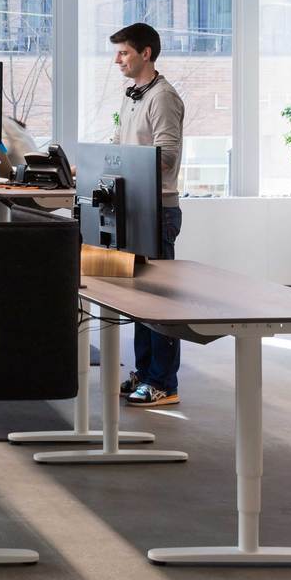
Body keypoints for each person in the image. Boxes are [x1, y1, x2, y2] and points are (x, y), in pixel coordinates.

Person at [109, 22, 186, 407]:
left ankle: (164, 382)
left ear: (146, 54)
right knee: (139, 299)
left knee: (158, 302)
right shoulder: (133, 95)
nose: (118, 59)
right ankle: (145, 371)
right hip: (134, 205)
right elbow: (122, 141)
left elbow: (167, 154)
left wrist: (123, 160)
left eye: (124, 52)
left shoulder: (163, 97)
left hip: (159, 209)